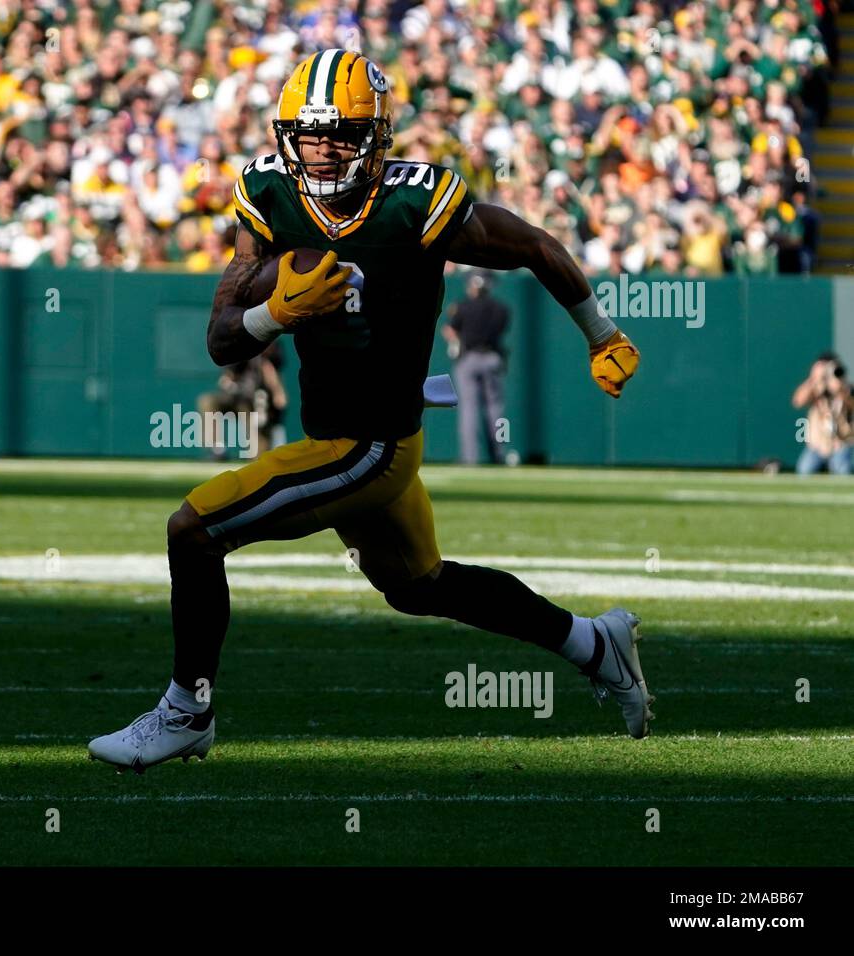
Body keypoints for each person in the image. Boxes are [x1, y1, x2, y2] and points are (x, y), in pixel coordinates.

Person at [89, 50, 650, 773]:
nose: (323, 146)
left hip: (371, 444)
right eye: (310, 131)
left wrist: (601, 333)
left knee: (193, 531)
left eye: (343, 132)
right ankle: (593, 642)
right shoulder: (269, 195)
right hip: (342, 435)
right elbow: (222, 339)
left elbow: (536, 245)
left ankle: (186, 711)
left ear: (377, 136)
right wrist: (274, 313)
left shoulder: (416, 202)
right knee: (418, 586)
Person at [442, 273, 510, 464]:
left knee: (468, 409)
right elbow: (502, 328)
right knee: (495, 409)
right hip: (492, 357)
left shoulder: (462, 306)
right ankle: (499, 454)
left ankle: (470, 457)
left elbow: (450, 330)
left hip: (468, 358)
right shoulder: (500, 308)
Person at [792, 353, 852, 475]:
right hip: (818, 445)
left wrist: (840, 391)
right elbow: (798, 401)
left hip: (841, 444)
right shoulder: (815, 389)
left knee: (843, 470)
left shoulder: (846, 389)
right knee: (804, 470)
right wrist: (814, 378)